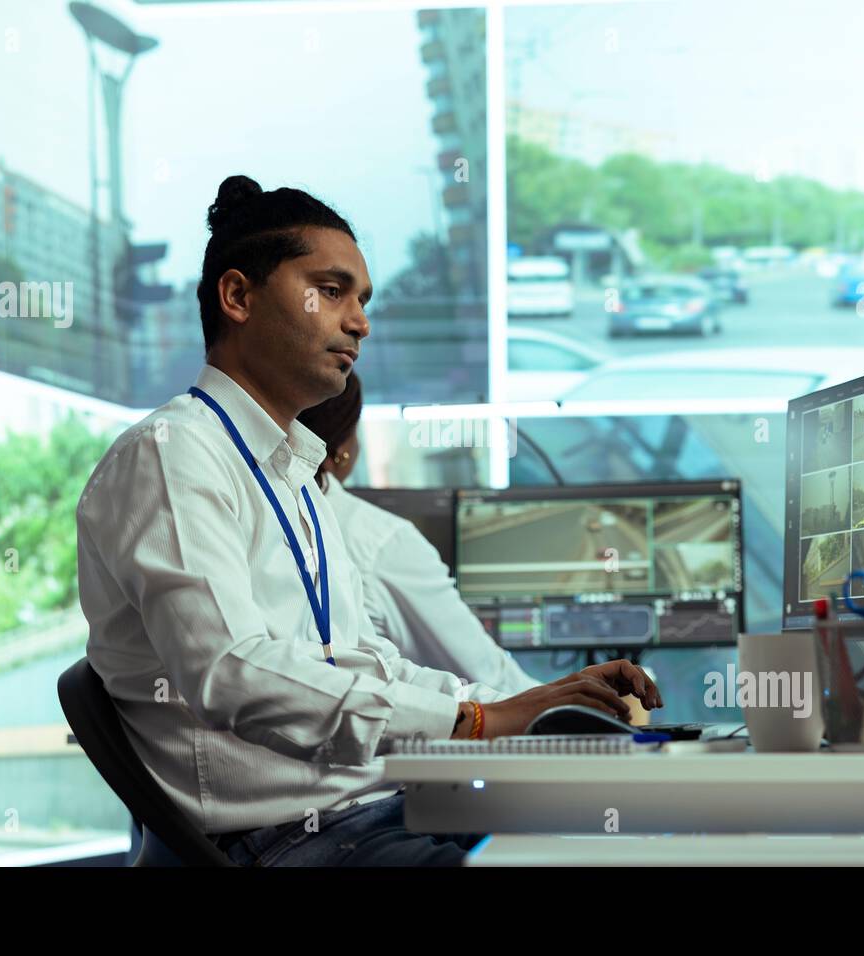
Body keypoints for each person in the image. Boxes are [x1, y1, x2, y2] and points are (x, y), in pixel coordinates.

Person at [76, 174, 661, 867]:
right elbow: (233, 673)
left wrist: (523, 705)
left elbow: (362, 662)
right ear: (237, 297)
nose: (360, 321)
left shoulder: (296, 473)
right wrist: (477, 720)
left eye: (363, 301)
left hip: (379, 812)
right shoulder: (172, 455)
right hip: (292, 840)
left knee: (639, 840)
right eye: (331, 291)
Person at [296, 373, 543, 696]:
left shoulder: (267, 506)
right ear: (339, 450)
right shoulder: (381, 540)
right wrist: (575, 708)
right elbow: (486, 673)